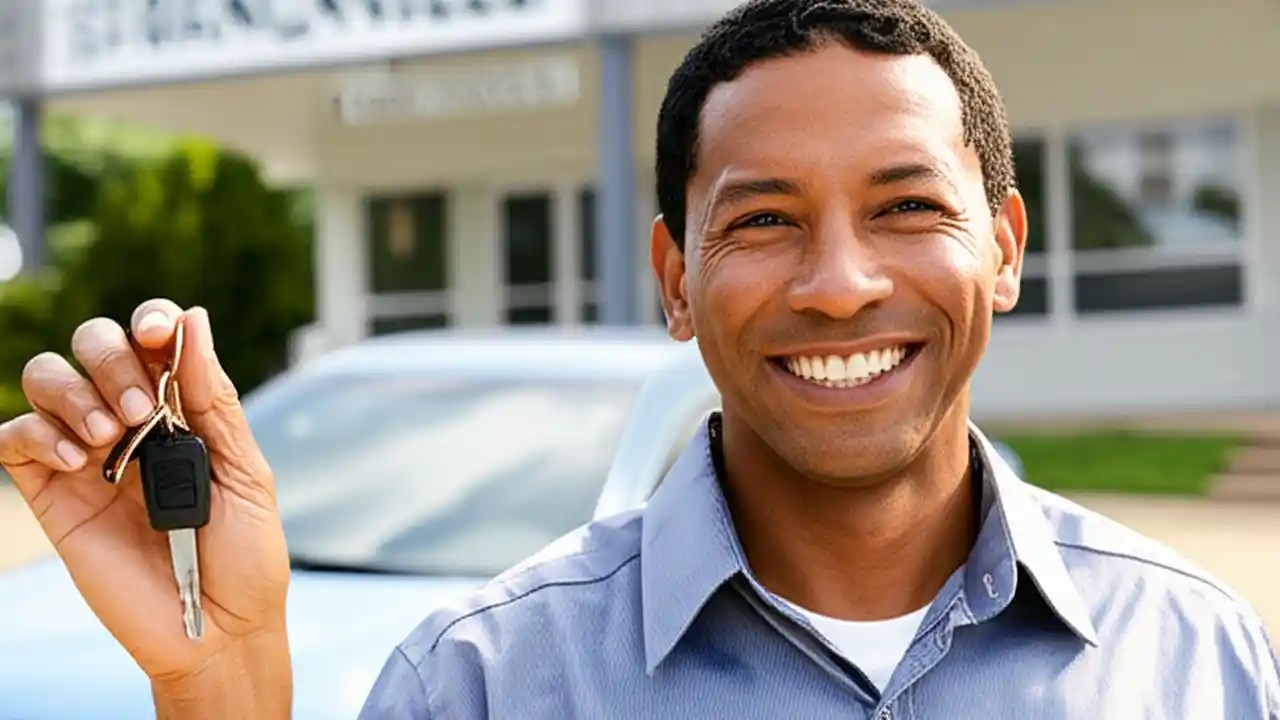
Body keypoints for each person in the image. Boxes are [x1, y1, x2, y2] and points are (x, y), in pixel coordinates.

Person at [2, 0, 1277, 717]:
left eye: (906, 206)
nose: (839, 286)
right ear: (675, 280)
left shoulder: (1195, 656)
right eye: (763, 219)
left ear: (1001, 247)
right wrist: (220, 676)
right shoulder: (484, 683)